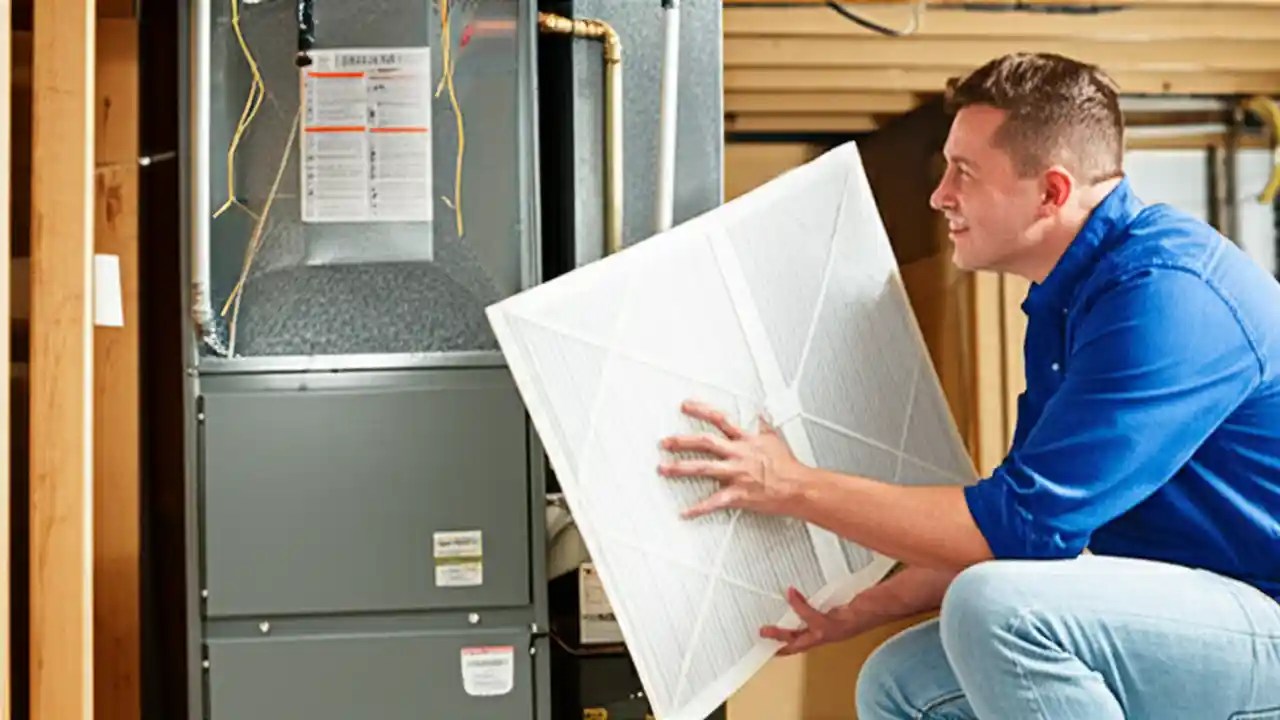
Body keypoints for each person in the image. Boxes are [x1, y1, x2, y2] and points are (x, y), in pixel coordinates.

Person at [658, 52, 1280, 719]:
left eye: (964, 172)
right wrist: (858, 609)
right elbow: (1034, 527)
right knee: (900, 680)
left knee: (995, 607)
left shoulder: (1168, 295)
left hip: (1264, 620)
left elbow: (1020, 529)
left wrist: (792, 485)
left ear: (1052, 192)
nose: (940, 195)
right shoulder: (1070, 300)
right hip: (1202, 614)